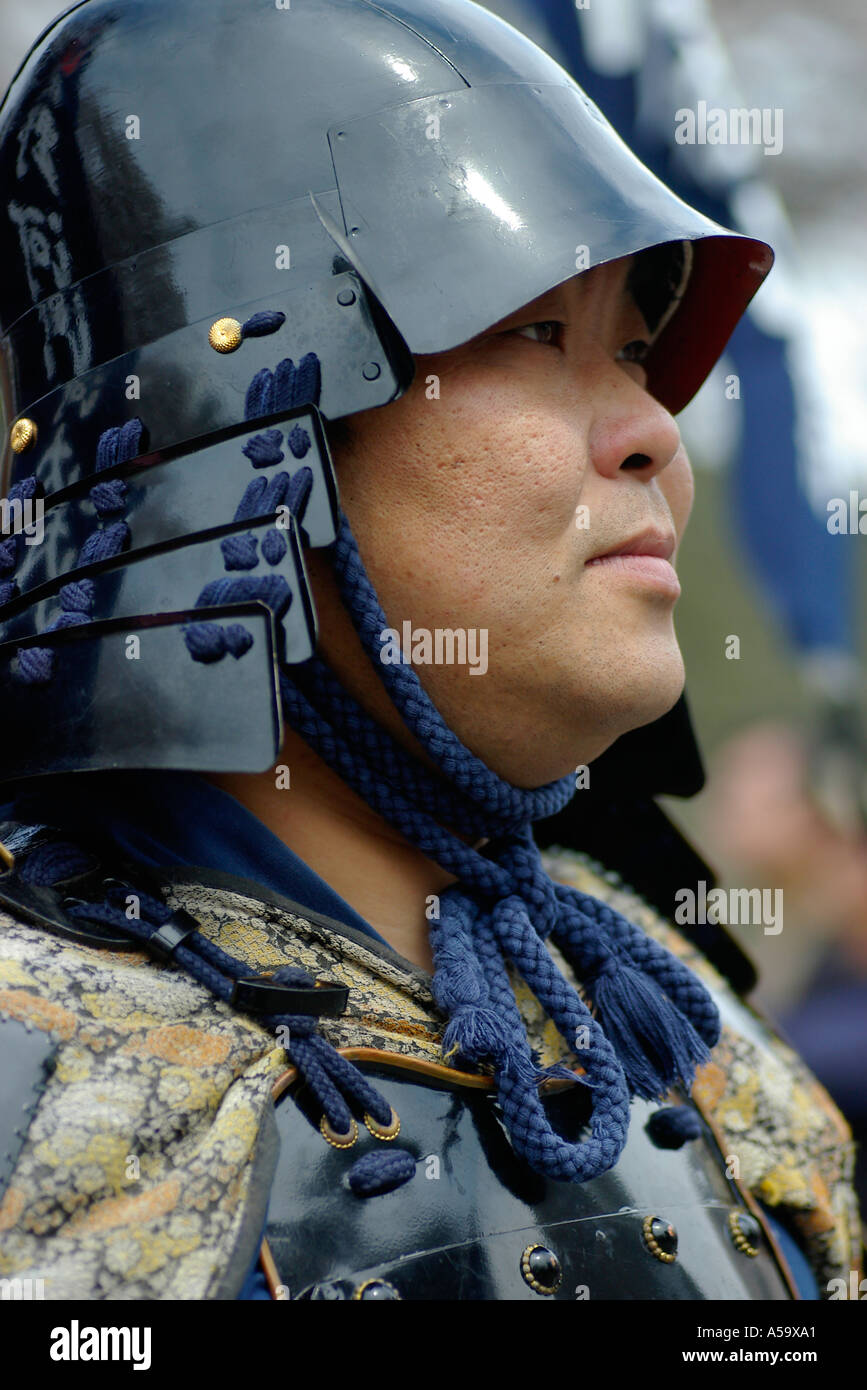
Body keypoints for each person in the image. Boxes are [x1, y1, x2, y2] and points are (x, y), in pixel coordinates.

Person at [0, 0, 859, 1301]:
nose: (656, 432)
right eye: (532, 331)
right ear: (238, 416)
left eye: (636, 348)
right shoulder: (33, 1075)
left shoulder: (687, 1029)